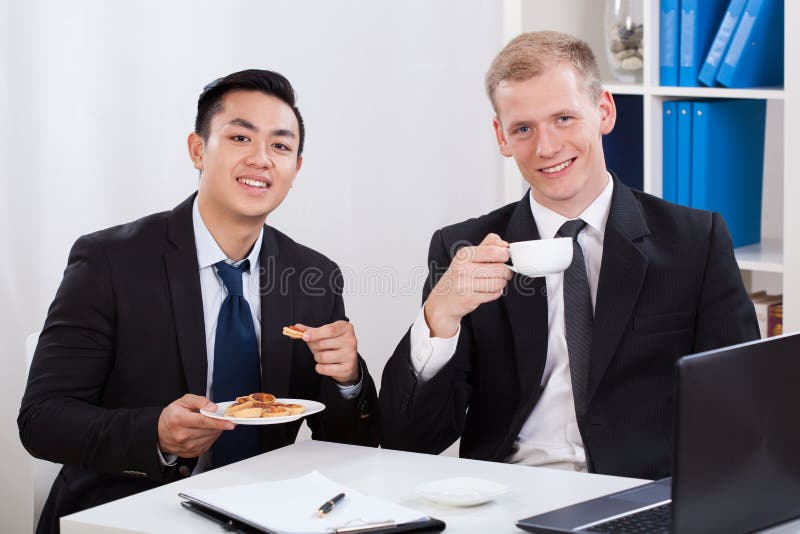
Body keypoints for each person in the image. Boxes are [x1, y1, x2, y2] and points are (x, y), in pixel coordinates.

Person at [379, 31, 758, 480]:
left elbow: (742, 408)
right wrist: (438, 317)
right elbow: (409, 440)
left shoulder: (695, 240)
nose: (546, 147)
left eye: (563, 118)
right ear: (502, 136)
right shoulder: (464, 248)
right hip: (509, 493)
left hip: (641, 492)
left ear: (604, 111)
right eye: (523, 128)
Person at [19, 69, 377, 533]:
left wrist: (347, 378)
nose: (261, 159)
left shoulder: (313, 276)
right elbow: (42, 419)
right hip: (127, 514)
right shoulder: (110, 260)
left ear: (296, 169)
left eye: (280, 145)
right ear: (197, 150)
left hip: (263, 513)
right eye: (240, 137)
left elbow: (348, 444)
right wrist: (156, 433)